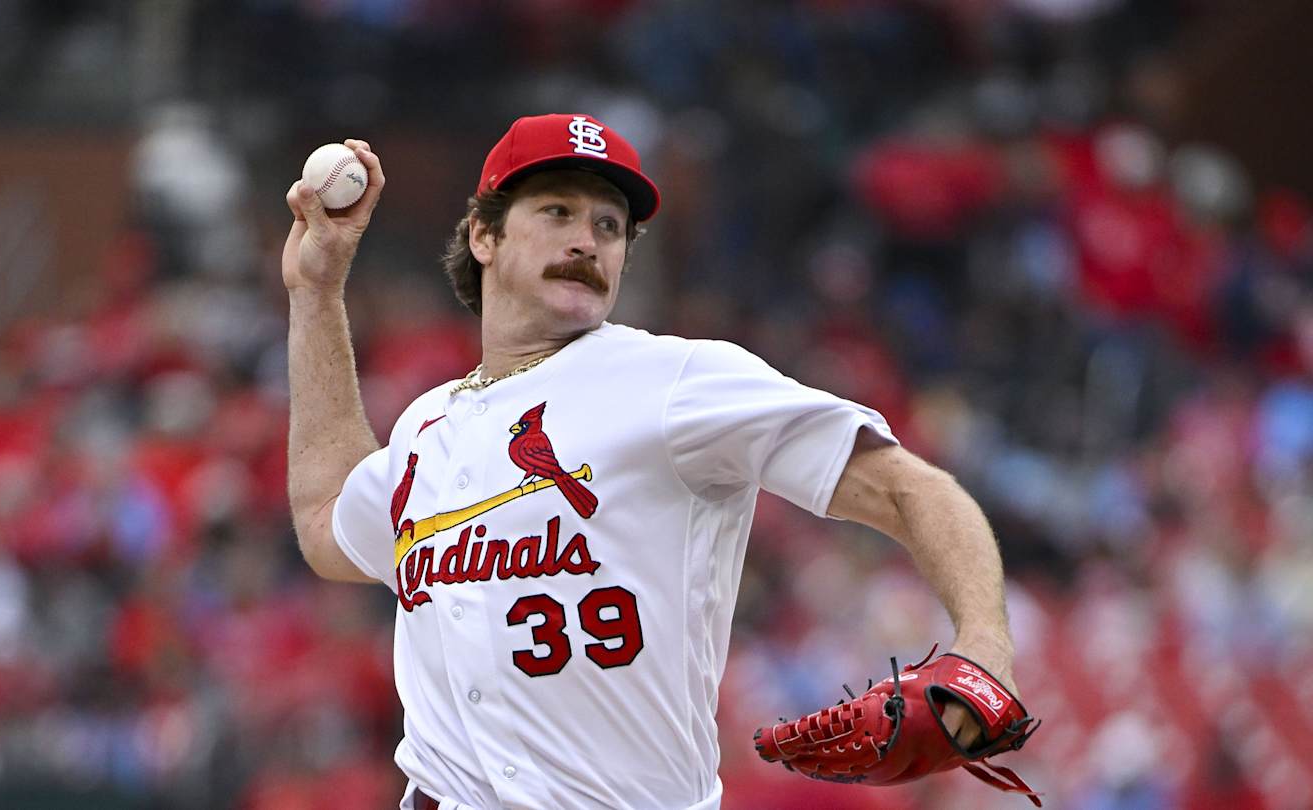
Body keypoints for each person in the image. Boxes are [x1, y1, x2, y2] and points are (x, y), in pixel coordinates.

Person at [283, 114, 1021, 810]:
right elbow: (325, 524)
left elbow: (905, 488)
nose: (586, 241)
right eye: (558, 212)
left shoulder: (675, 382)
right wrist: (316, 290)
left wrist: (985, 646)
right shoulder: (426, 427)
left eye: (609, 225)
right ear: (483, 234)